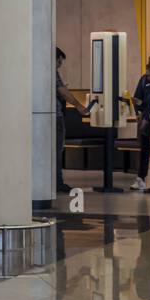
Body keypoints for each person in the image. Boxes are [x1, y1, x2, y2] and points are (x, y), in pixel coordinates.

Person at [55, 47, 93, 193]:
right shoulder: (52, 71)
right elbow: (62, 91)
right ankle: (57, 183)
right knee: (57, 151)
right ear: (57, 58)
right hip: (56, 116)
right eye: (60, 62)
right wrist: (78, 105)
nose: (59, 66)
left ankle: (54, 182)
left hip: (49, 117)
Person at [130, 55, 150, 191]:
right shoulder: (144, 81)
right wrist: (138, 112)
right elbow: (138, 99)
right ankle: (141, 177)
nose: (148, 76)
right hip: (146, 120)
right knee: (144, 149)